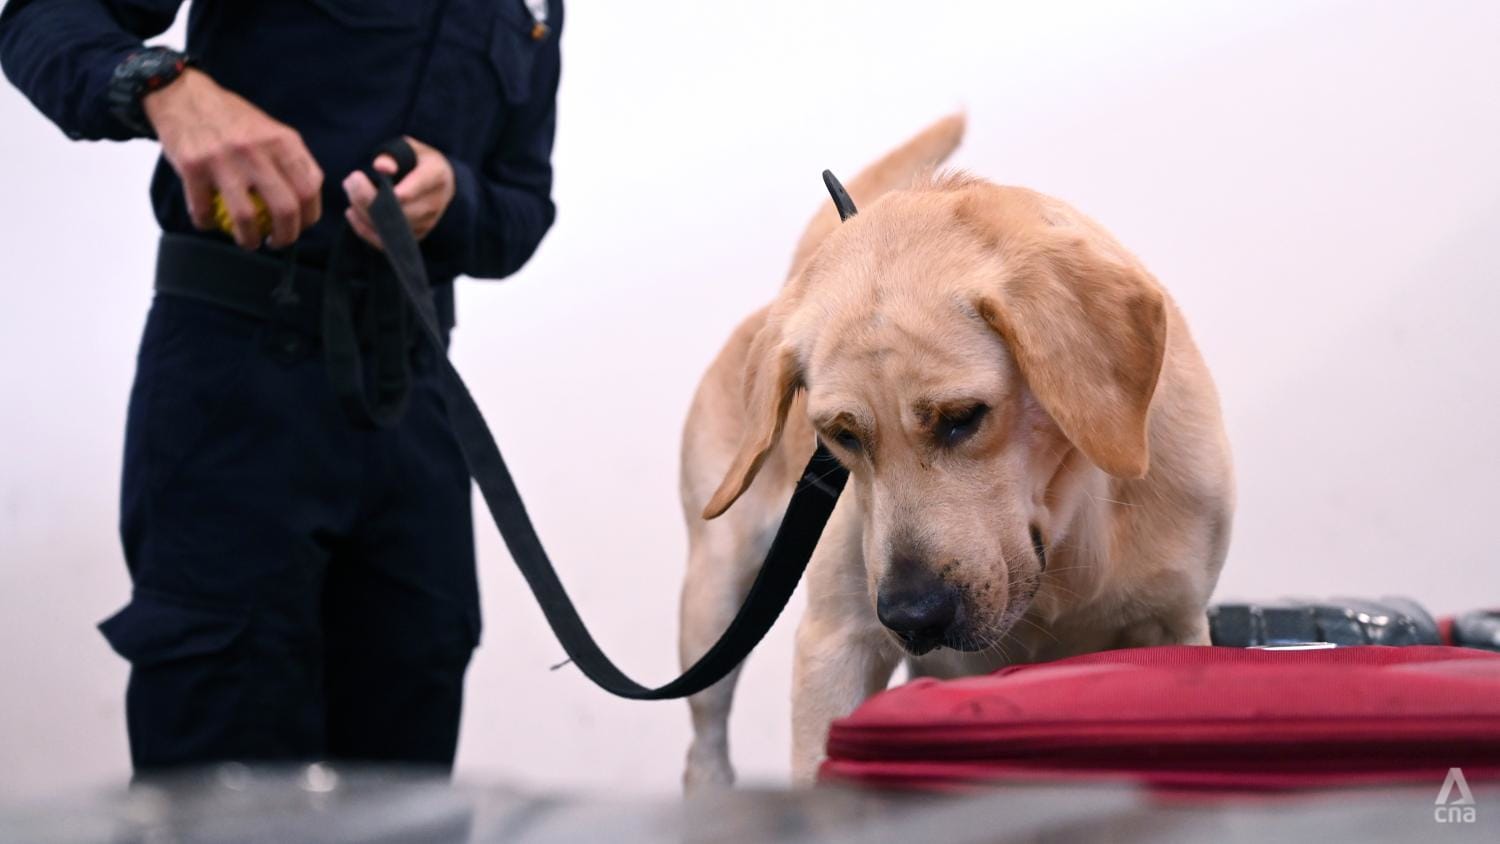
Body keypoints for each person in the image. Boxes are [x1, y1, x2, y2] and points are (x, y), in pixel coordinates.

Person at [0, 0, 562, 774]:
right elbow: (41, 17)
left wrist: (455, 196)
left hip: (414, 402)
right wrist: (166, 84)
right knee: (223, 782)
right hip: (236, 380)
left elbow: (524, 204)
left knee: (410, 783)